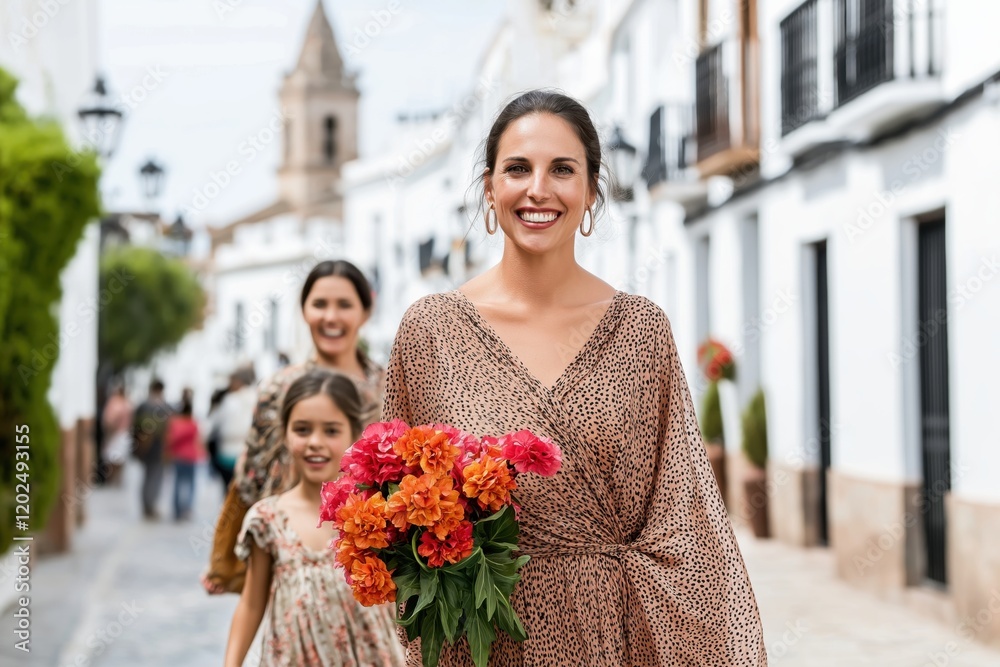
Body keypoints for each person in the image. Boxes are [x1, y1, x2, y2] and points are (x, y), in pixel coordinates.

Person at [382, 91, 767, 665]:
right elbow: (395, 508)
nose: (538, 189)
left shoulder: (641, 330)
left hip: (610, 635)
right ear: (490, 189)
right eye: (518, 169)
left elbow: (685, 519)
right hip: (480, 639)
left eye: (563, 169)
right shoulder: (430, 331)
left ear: (591, 191)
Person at [202, 260, 386, 595]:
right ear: (304, 311)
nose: (331, 317)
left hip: (374, 569)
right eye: (319, 304)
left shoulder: (390, 392)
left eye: (344, 304)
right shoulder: (279, 389)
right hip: (293, 568)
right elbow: (251, 479)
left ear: (365, 311)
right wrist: (226, 560)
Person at [224, 370, 404, 667]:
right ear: (285, 433)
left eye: (331, 431)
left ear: (354, 433)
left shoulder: (379, 510)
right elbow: (252, 603)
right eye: (303, 429)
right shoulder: (268, 519)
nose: (315, 442)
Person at [131, 378, 173, 521]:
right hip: (159, 446)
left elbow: (134, 428)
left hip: (144, 446)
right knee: (156, 477)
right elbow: (170, 429)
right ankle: (150, 505)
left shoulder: (143, 405)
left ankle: (147, 505)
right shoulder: (166, 406)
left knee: (147, 476)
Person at [216, 366, 258, 490]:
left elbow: (218, 424)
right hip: (247, 454)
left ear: (238, 381)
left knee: (229, 490)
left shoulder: (230, 400)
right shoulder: (255, 396)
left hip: (228, 454)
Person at [166, 394, 204, 521]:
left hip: (178, 456)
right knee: (190, 484)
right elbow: (198, 440)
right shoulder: (193, 423)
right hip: (191, 457)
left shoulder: (175, 423)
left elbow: (170, 439)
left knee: (177, 483)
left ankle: (177, 510)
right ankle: (187, 508)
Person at [101, 383, 133, 486]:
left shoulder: (121, 402)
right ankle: (113, 479)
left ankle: (115, 479)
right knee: (114, 458)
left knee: (117, 458)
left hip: (120, 433)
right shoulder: (121, 402)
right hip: (118, 433)